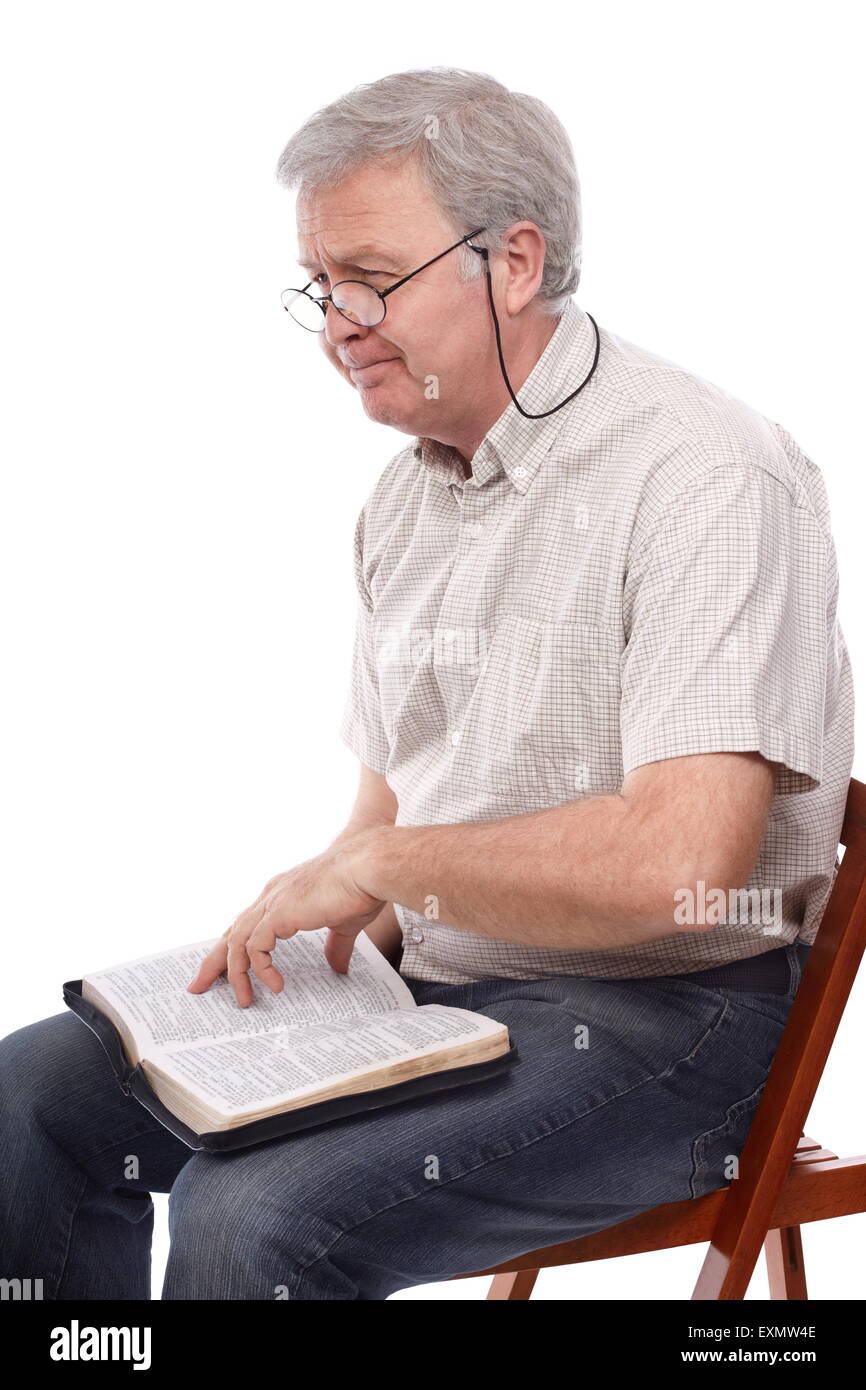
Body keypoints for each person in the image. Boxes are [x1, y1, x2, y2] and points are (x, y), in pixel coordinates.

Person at [0, 67, 853, 1301]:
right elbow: (390, 813)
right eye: (320, 285)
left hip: (671, 1020)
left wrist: (387, 871)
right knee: (29, 1099)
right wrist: (312, 937)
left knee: (251, 1220)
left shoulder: (705, 475)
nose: (339, 318)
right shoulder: (406, 496)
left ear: (512, 262)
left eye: (370, 278)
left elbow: (690, 867)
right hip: (441, 986)